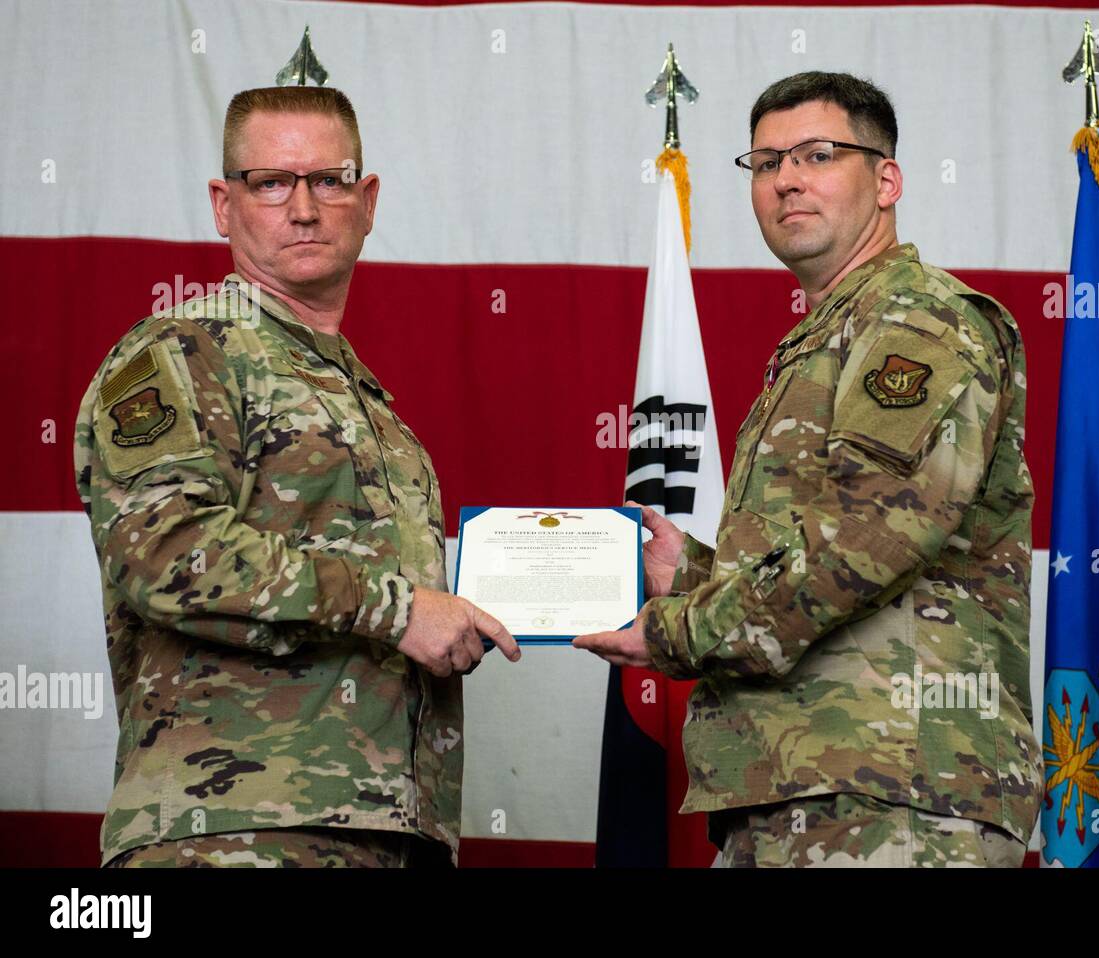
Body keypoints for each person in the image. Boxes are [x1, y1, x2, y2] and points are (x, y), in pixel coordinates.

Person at [575, 71, 1042, 867]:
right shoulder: (827, 336)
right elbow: (823, 547)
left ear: (886, 179)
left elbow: (867, 540)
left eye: (819, 154)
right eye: (764, 163)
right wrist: (686, 570)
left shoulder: (918, 320)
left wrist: (680, 629)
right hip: (803, 788)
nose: (787, 178)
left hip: (895, 791)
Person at [74, 85, 519, 868]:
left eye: (330, 180)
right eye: (271, 182)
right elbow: (166, 555)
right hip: (233, 830)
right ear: (224, 204)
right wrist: (398, 608)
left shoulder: (368, 401)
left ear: (367, 199)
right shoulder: (183, 351)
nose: (304, 208)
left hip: (383, 828)